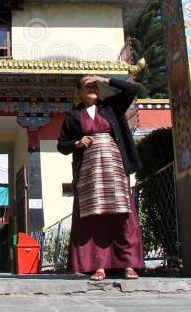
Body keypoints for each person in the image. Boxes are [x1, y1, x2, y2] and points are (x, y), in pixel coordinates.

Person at [57, 75, 144, 281]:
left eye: (94, 85)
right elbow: (61, 145)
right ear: (79, 91)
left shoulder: (111, 106)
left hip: (114, 166)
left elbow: (132, 89)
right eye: (87, 86)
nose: (92, 89)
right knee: (95, 216)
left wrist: (105, 80)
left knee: (122, 213)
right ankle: (99, 265)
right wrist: (77, 143)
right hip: (90, 171)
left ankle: (128, 264)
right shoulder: (73, 115)